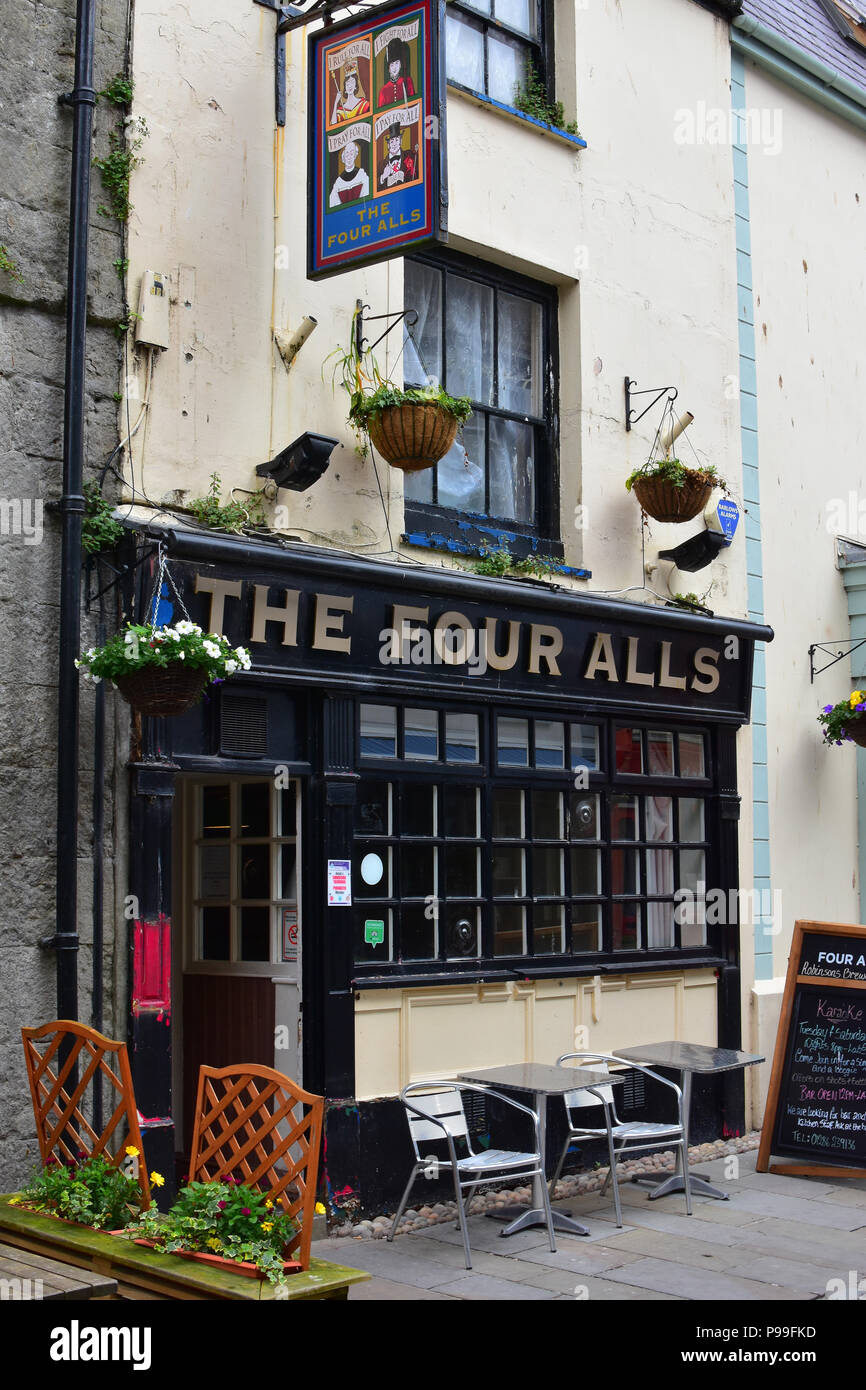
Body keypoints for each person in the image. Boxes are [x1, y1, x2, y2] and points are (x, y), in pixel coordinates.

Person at [376, 38, 415, 108]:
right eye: (392, 65)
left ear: (400, 65)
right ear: (389, 69)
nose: (394, 68)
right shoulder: (383, 90)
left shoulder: (407, 81)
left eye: (397, 63)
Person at [329, 141, 369, 207]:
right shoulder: (339, 181)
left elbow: (367, 194)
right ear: (343, 157)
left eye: (351, 154)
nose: (349, 158)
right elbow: (333, 202)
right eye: (347, 154)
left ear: (355, 156)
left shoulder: (361, 174)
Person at [378, 124, 416, 189]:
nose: (394, 144)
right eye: (392, 141)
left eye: (397, 140)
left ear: (400, 142)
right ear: (388, 145)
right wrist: (383, 176)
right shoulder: (381, 165)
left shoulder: (410, 155)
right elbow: (373, 187)